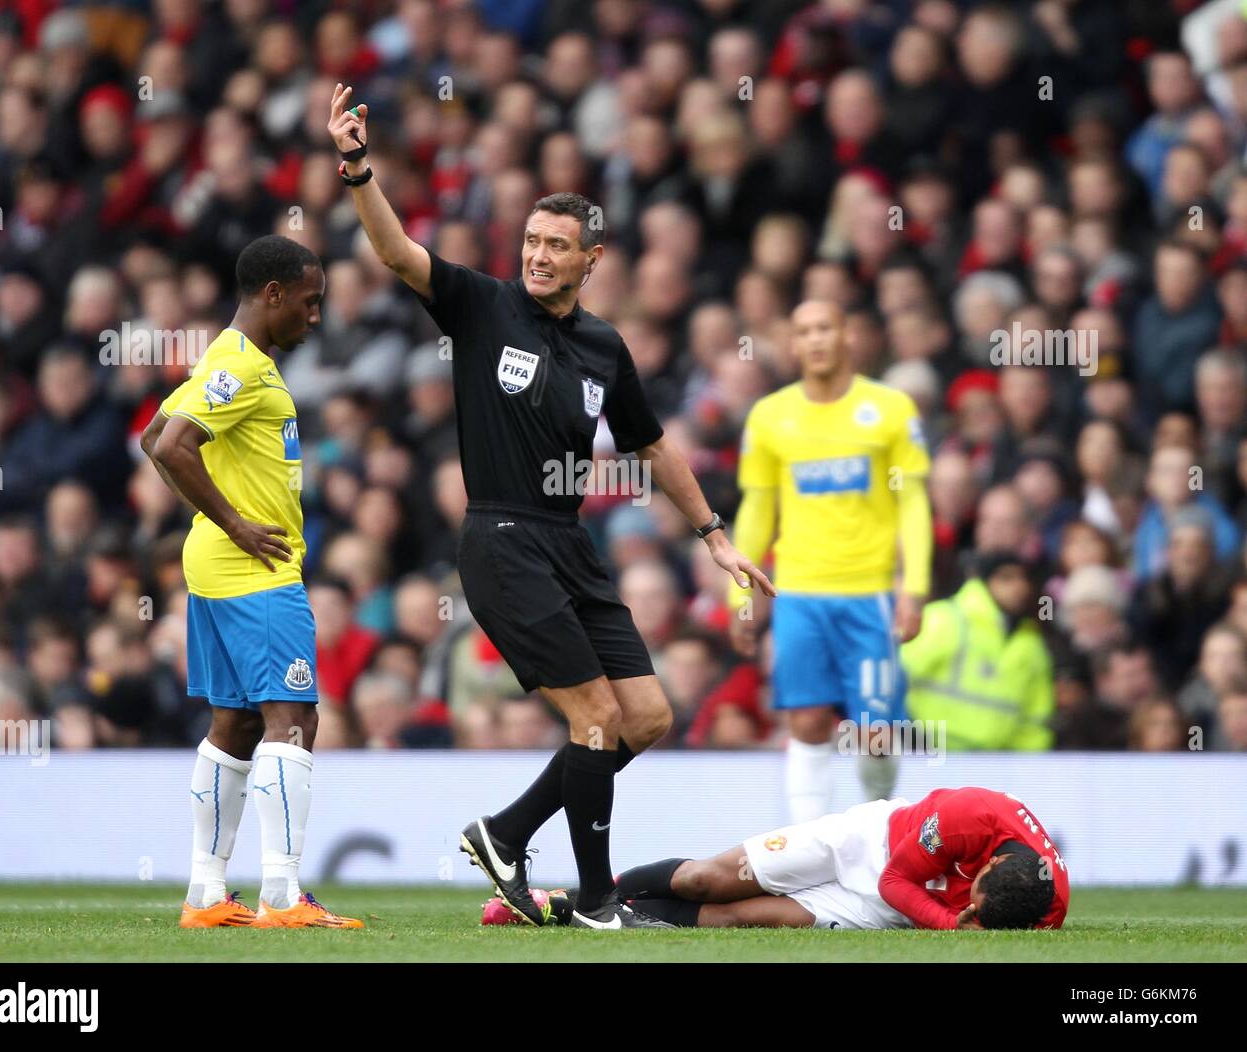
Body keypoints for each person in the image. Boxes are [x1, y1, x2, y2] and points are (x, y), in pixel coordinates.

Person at [329, 85, 773, 929]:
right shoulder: (482, 304)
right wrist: (357, 167)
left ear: (590, 259)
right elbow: (394, 252)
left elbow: (652, 447)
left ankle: (506, 831)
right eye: (531, 240)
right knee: (596, 717)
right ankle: (600, 901)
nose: (538, 255)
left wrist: (713, 533)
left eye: (557, 245)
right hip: (501, 538)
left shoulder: (606, 346)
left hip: (568, 543)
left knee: (645, 716)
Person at [141, 235, 361, 929]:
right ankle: (283, 894)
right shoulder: (239, 364)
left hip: (218, 568)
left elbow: (154, 437)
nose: (315, 315)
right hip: (254, 570)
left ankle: (206, 894)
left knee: (235, 723)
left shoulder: (227, 360)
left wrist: (218, 522)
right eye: (309, 301)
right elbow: (171, 445)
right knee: (293, 718)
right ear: (273, 295)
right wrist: (236, 522)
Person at [729, 299, 932, 821]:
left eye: (826, 327)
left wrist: (914, 588)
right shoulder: (771, 416)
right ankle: (806, 848)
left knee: (878, 733)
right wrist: (741, 595)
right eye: (804, 331)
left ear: (848, 336)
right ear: (792, 345)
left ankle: (882, 837)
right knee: (808, 721)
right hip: (799, 594)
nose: (816, 339)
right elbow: (757, 511)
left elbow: (913, 502)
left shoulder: (890, 409)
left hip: (871, 596)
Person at [484, 786, 1068, 931]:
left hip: (888, 907)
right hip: (872, 846)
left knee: (749, 918)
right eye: (977, 898)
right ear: (987, 865)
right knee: (706, 880)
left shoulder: (1045, 904)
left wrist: (974, 920)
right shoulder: (972, 816)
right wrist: (949, 923)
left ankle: (554, 907)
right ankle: (598, 894)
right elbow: (895, 879)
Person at [901, 551, 1055, 751]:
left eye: (1024, 579)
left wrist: (1025, 767)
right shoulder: (945, 619)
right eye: (1006, 578)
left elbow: (1034, 719)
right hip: (925, 752)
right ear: (984, 582)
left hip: (994, 763)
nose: (1019, 587)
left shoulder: (1032, 643)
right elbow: (899, 674)